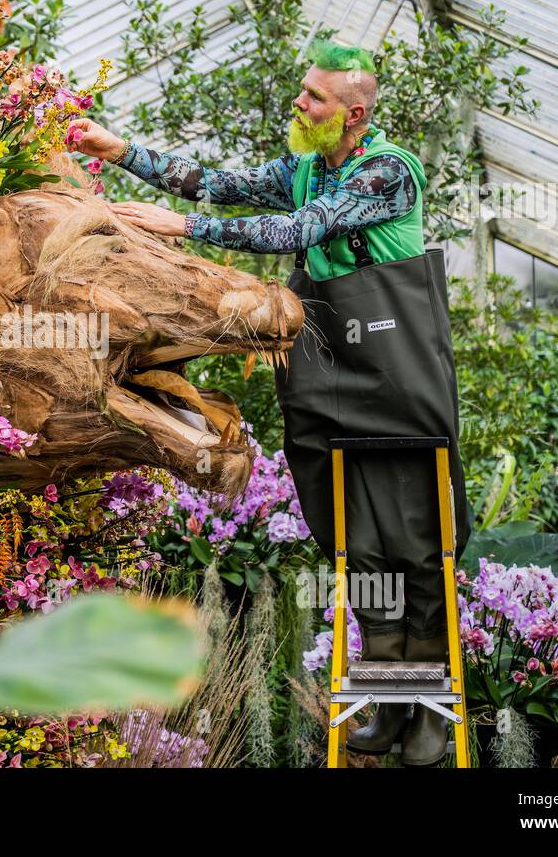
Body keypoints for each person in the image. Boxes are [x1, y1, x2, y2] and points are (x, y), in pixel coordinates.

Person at [69, 39, 472, 766]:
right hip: (333, 374)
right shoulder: (306, 168)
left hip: (397, 377)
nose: (299, 103)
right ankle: (386, 697)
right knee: (359, 543)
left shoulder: (387, 170)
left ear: (351, 113)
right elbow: (216, 181)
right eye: (301, 91)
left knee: (415, 544)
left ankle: (430, 712)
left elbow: (298, 231)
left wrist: (185, 229)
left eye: (313, 97)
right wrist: (118, 147)